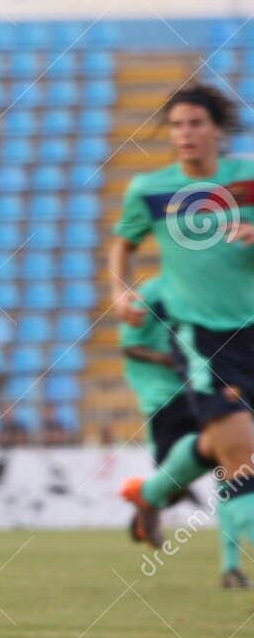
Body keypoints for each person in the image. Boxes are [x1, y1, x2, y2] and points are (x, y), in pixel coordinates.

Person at [112, 82, 254, 551]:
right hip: (201, 338)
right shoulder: (150, 190)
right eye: (176, 126)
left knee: (217, 446)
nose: (184, 134)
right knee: (241, 453)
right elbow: (125, 244)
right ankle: (236, 563)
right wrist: (120, 289)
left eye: (195, 124)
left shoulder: (247, 180)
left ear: (218, 130)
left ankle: (149, 496)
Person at [119, 276, 248, 588]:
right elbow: (130, 345)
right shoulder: (154, 292)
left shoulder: (218, 289)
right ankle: (149, 495)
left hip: (207, 388)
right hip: (167, 396)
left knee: (234, 474)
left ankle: (231, 567)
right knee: (177, 490)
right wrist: (168, 358)